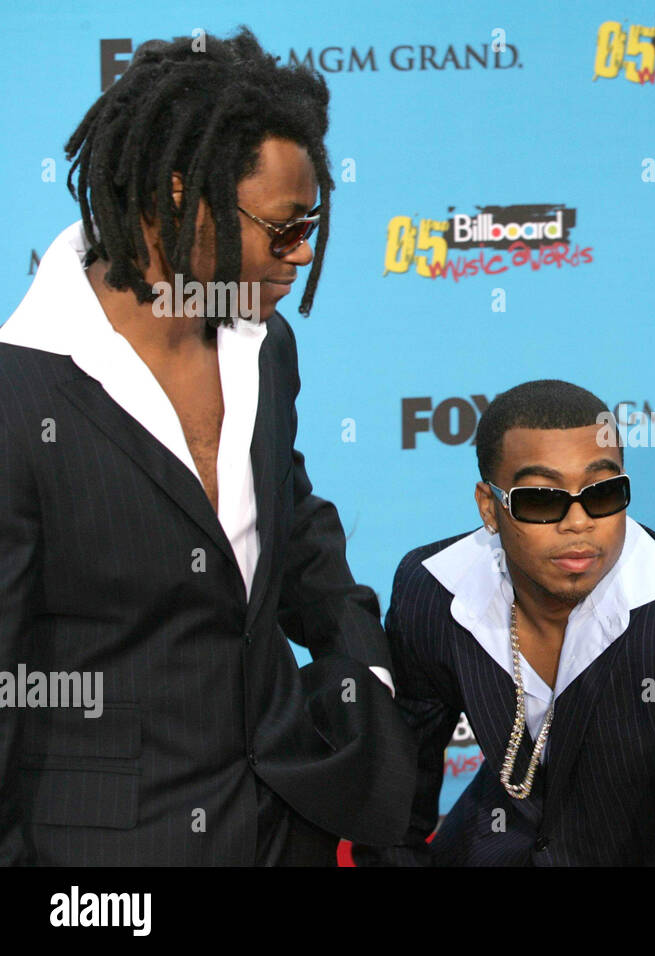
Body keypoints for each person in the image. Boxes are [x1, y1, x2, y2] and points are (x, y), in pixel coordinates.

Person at [0, 29, 414, 866]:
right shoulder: (19, 393)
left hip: (283, 821)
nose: (300, 259)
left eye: (313, 228)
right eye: (283, 230)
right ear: (183, 199)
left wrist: (362, 670)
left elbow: (288, 522)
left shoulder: (265, 347)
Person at [362, 379, 655, 865]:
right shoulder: (436, 590)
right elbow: (395, 794)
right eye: (542, 499)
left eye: (603, 492)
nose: (578, 522)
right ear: (490, 507)